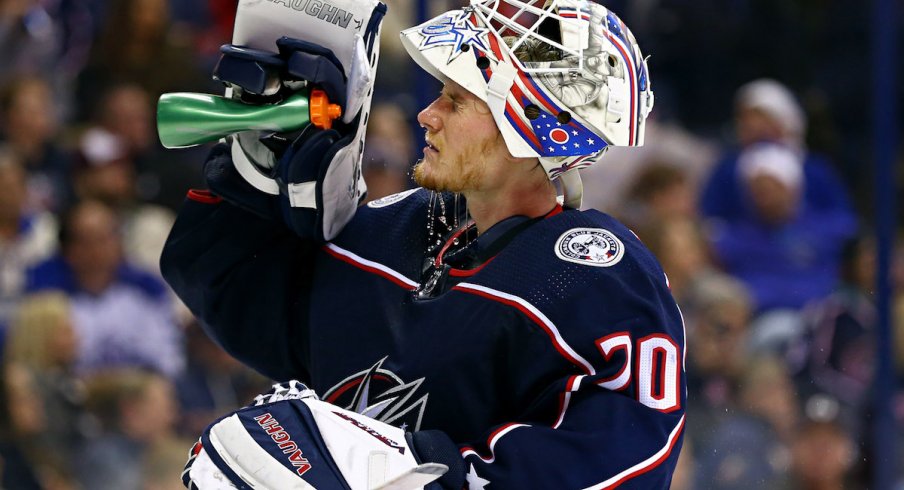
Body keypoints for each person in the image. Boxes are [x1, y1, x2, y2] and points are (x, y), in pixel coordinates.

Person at [162, 1, 685, 488]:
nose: (427, 114)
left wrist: (426, 474)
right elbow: (233, 300)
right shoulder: (390, 226)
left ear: (532, 126)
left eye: (456, 100)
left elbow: (624, 460)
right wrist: (254, 176)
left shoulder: (597, 272)